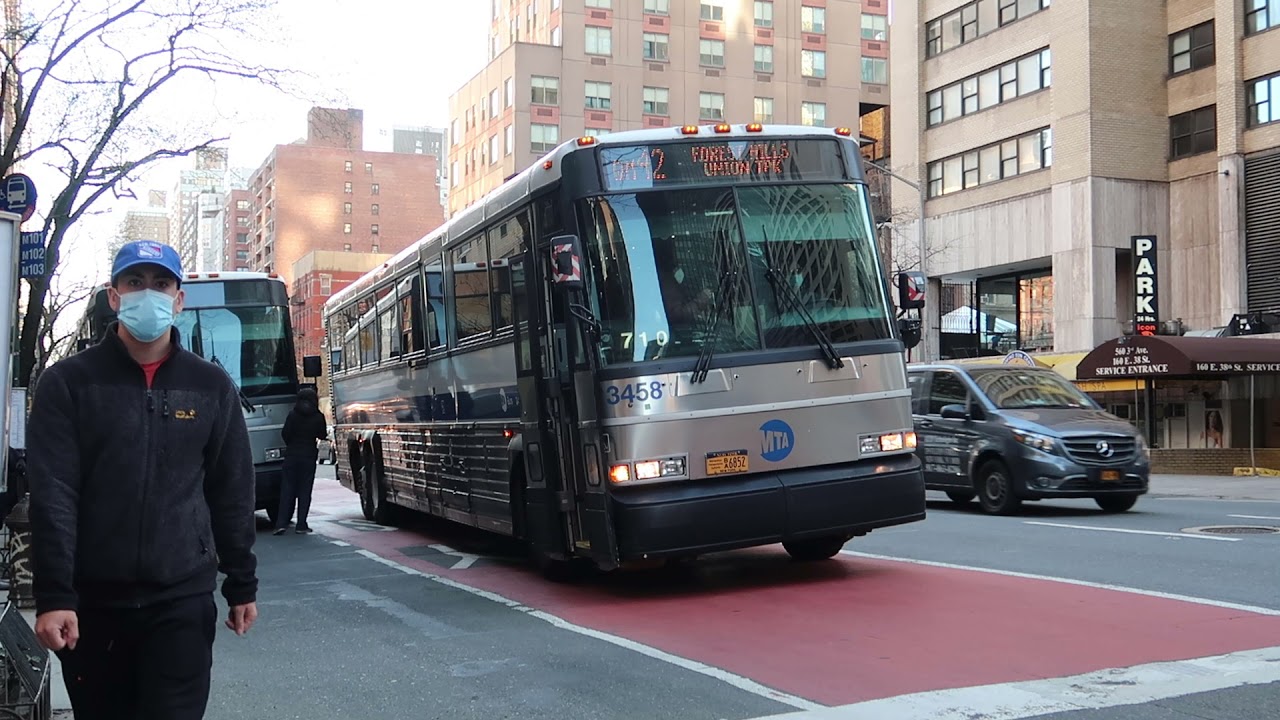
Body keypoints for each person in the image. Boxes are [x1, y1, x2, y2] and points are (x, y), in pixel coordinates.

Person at [27, 240, 259, 720]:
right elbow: (54, 496)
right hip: (93, 608)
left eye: (160, 284)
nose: (147, 294)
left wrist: (241, 583)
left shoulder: (211, 386)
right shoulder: (68, 384)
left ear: (178, 299)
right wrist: (53, 596)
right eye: (135, 282)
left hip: (181, 603)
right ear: (114, 296)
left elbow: (231, 489)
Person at [274, 387, 328, 536]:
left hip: (291, 456)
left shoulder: (293, 415)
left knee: (287, 490)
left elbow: (285, 433)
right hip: (308, 456)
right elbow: (322, 434)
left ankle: (281, 523)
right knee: (305, 491)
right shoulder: (318, 416)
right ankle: (301, 524)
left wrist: (291, 444)